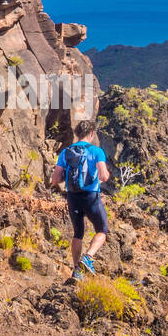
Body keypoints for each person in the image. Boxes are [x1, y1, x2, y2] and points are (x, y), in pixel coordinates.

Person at [49, 118, 111, 281]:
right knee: (102, 230)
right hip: (91, 197)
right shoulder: (97, 152)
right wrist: (101, 175)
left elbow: (55, 179)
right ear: (92, 133)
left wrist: (65, 178)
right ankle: (88, 257)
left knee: (78, 233)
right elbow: (104, 176)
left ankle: (77, 271)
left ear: (77, 134)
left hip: (72, 197)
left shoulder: (66, 152)